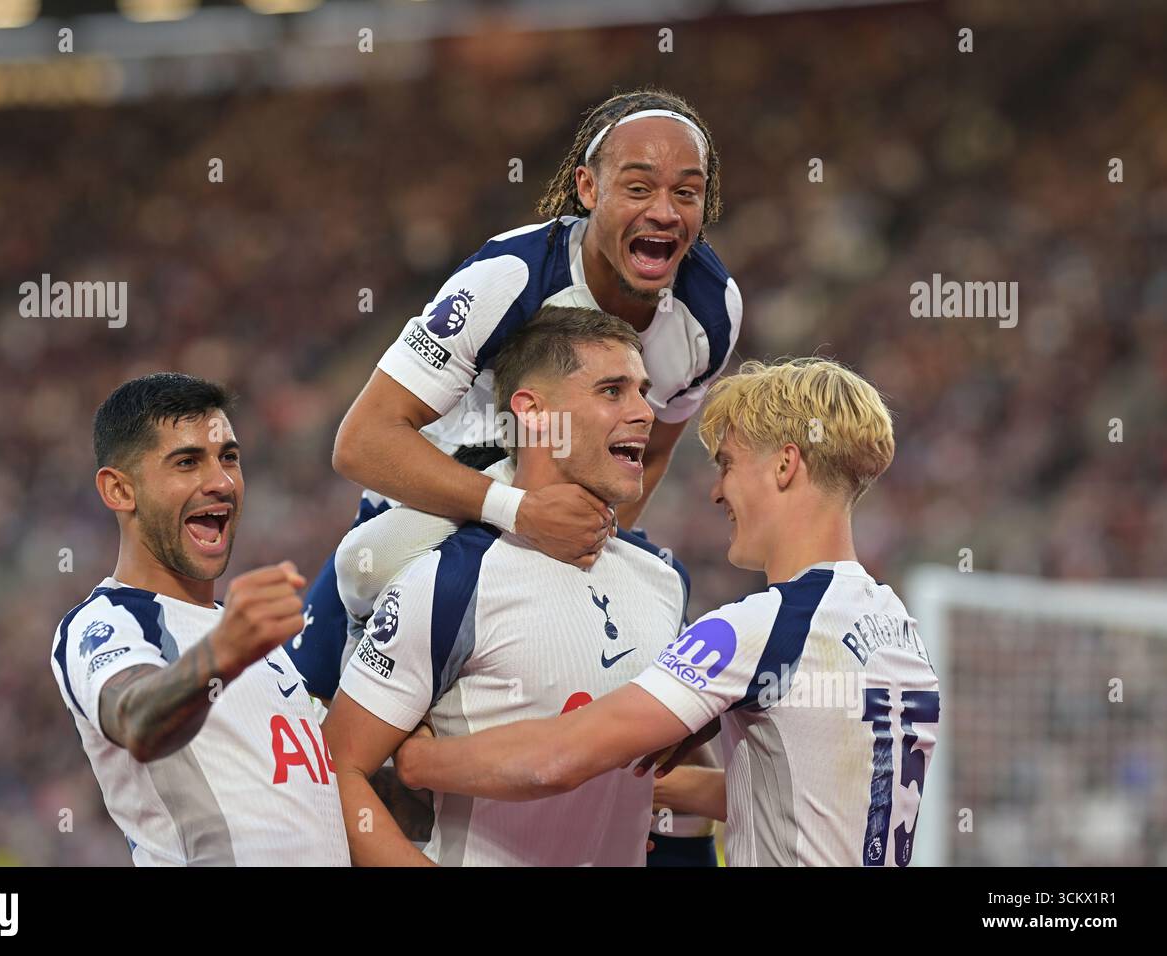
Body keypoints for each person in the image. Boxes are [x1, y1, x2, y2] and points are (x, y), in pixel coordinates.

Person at [394, 358, 941, 867]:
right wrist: (647, 791)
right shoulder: (897, 627)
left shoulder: (763, 629)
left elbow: (556, 759)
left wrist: (420, 762)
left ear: (785, 464)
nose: (716, 491)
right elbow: (821, 797)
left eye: (727, 464)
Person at [291, 88, 743, 704]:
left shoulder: (712, 313)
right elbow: (362, 443)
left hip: (555, 518)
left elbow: (653, 451)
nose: (665, 212)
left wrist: (587, 543)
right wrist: (518, 513)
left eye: (686, 192)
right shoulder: (508, 279)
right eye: (638, 188)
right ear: (588, 188)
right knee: (318, 716)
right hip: (433, 508)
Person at [322, 308, 691, 866]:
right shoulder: (450, 581)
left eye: (643, 392)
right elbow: (336, 769)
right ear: (533, 411)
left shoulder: (663, 580)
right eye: (612, 391)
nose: (643, 413)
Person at [49, 373, 349, 866]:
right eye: (187, 462)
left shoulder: (257, 643)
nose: (222, 482)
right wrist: (222, 654)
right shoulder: (107, 620)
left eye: (228, 457)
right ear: (120, 489)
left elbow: (323, 801)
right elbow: (136, 719)